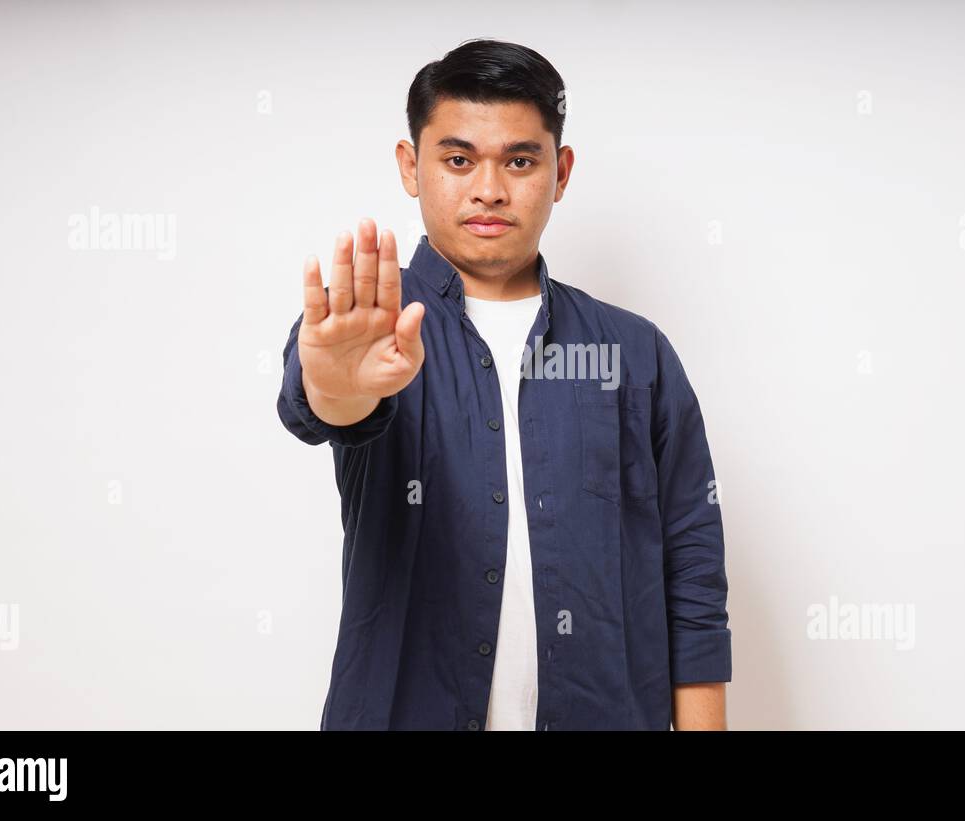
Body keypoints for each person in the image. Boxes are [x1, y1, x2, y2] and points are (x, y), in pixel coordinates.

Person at [277, 38, 731, 730]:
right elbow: (325, 403)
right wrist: (338, 388)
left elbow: (692, 569)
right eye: (458, 160)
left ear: (561, 170)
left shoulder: (633, 352)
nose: (489, 189)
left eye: (520, 160)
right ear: (411, 165)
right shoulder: (369, 323)